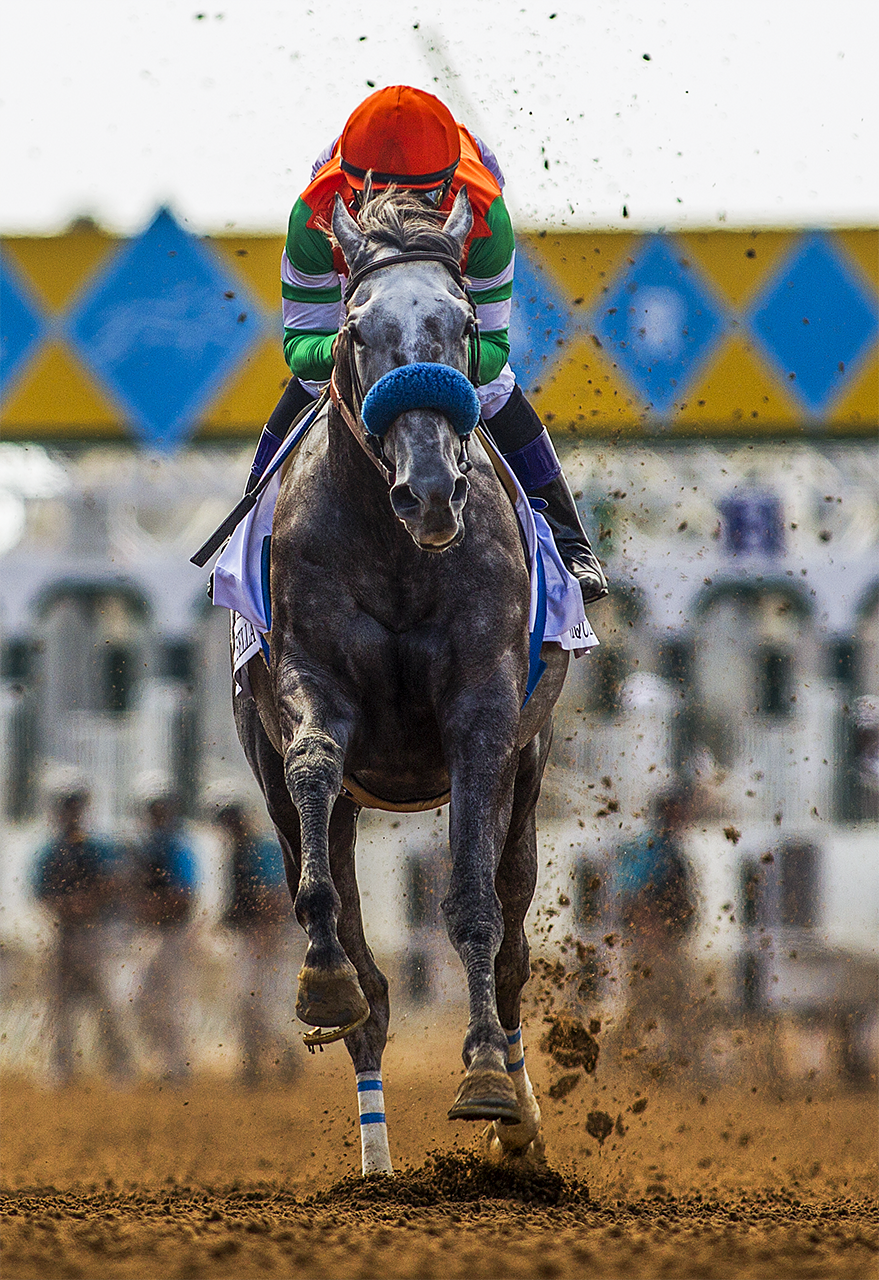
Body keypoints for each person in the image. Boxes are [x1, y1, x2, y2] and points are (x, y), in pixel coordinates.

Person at [253, 84, 607, 608]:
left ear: (448, 189)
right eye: (376, 197)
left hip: (450, 340)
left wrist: (437, 366)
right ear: (350, 189)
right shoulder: (314, 218)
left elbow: (492, 349)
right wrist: (354, 353)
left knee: (493, 389)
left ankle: (569, 542)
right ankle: (248, 548)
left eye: (420, 200)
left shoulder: (487, 220)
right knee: (309, 386)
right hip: (358, 339)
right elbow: (303, 346)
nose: (400, 210)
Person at [32, 787, 134, 1086]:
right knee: (58, 1003)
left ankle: (119, 1065)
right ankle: (60, 1067)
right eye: (65, 807)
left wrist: (88, 901)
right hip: (62, 931)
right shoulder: (51, 849)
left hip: (95, 931)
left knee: (106, 1001)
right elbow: (40, 892)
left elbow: (115, 881)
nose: (70, 813)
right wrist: (66, 904)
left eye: (74, 807)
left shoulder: (97, 846)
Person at [610, 787, 699, 1074]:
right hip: (654, 945)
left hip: (665, 942)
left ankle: (668, 1063)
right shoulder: (655, 849)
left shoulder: (666, 848)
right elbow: (633, 896)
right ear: (668, 814)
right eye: (679, 812)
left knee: (663, 1005)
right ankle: (619, 1063)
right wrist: (651, 933)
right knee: (655, 1004)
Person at [215, 803, 300, 1085]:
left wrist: (267, 934)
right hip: (249, 934)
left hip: (266, 935)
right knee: (245, 1001)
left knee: (261, 1002)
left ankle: (286, 1053)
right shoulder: (237, 851)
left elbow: (275, 896)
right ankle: (251, 1061)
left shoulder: (260, 848)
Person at [129, 793, 199, 1082]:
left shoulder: (178, 846)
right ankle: (164, 1059)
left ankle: (176, 1064)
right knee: (140, 1001)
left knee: (171, 1001)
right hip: (147, 933)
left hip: (173, 933)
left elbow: (185, 896)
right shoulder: (141, 846)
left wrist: (153, 904)